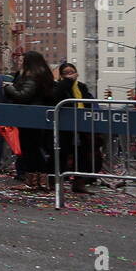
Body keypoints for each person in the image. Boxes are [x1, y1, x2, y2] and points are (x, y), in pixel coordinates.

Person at [2, 50, 55, 191]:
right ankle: (39, 181)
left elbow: (23, 96)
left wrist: (9, 87)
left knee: (30, 148)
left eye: (22, 60)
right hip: (37, 116)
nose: (19, 62)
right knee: (34, 148)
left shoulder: (31, 77)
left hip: (29, 116)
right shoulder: (43, 76)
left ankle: (33, 182)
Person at [53, 62, 96, 194]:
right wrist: (67, 81)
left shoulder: (81, 86)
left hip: (82, 124)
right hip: (64, 126)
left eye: (72, 71)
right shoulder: (59, 86)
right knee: (62, 153)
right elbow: (56, 97)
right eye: (66, 73)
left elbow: (88, 101)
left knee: (83, 153)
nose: (70, 75)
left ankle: (79, 182)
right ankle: (56, 182)